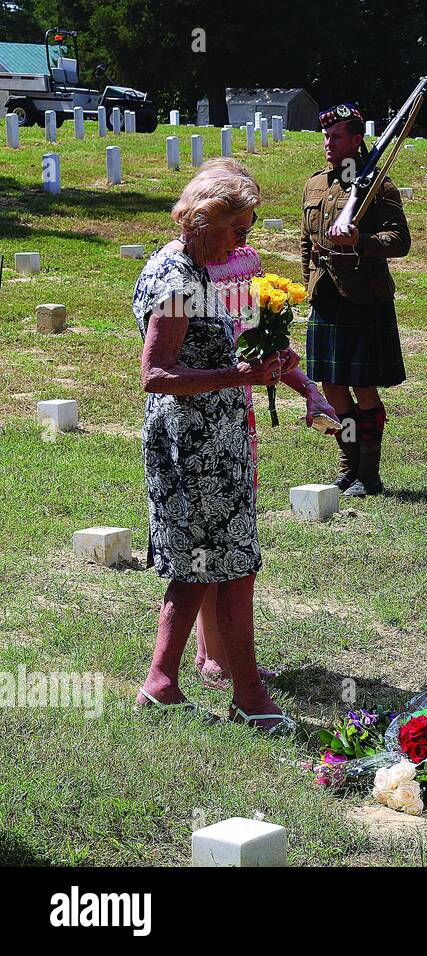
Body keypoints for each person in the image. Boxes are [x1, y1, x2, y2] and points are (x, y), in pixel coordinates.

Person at [133, 158, 294, 733]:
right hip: (194, 443)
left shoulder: (190, 270)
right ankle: (249, 696)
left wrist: (253, 363)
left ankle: (162, 682)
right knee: (226, 564)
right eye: (238, 228)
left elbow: (199, 356)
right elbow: (155, 373)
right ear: (205, 219)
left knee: (205, 564)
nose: (244, 240)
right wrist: (241, 378)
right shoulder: (177, 281)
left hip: (211, 440)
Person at [193, 237, 339, 688]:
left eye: (249, 220)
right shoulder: (189, 268)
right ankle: (215, 655)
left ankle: (221, 652)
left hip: (241, 415)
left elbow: (257, 344)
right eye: (237, 220)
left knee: (235, 534)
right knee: (207, 534)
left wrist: (309, 391)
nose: (243, 230)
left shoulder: (246, 262)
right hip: (200, 413)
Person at [302, 102, 411, 497]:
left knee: (363, 387)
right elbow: (306, 243)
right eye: (326, 138)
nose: (328, 144)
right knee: (331, 386)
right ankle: (348, 465)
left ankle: (369, 473)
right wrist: (307, 286)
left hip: (363, 297)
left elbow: (401, 241)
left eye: (336, 137)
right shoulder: (316, 184)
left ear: (356, 139)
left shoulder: (378, 185)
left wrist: (361, 242)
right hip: (327, 298)